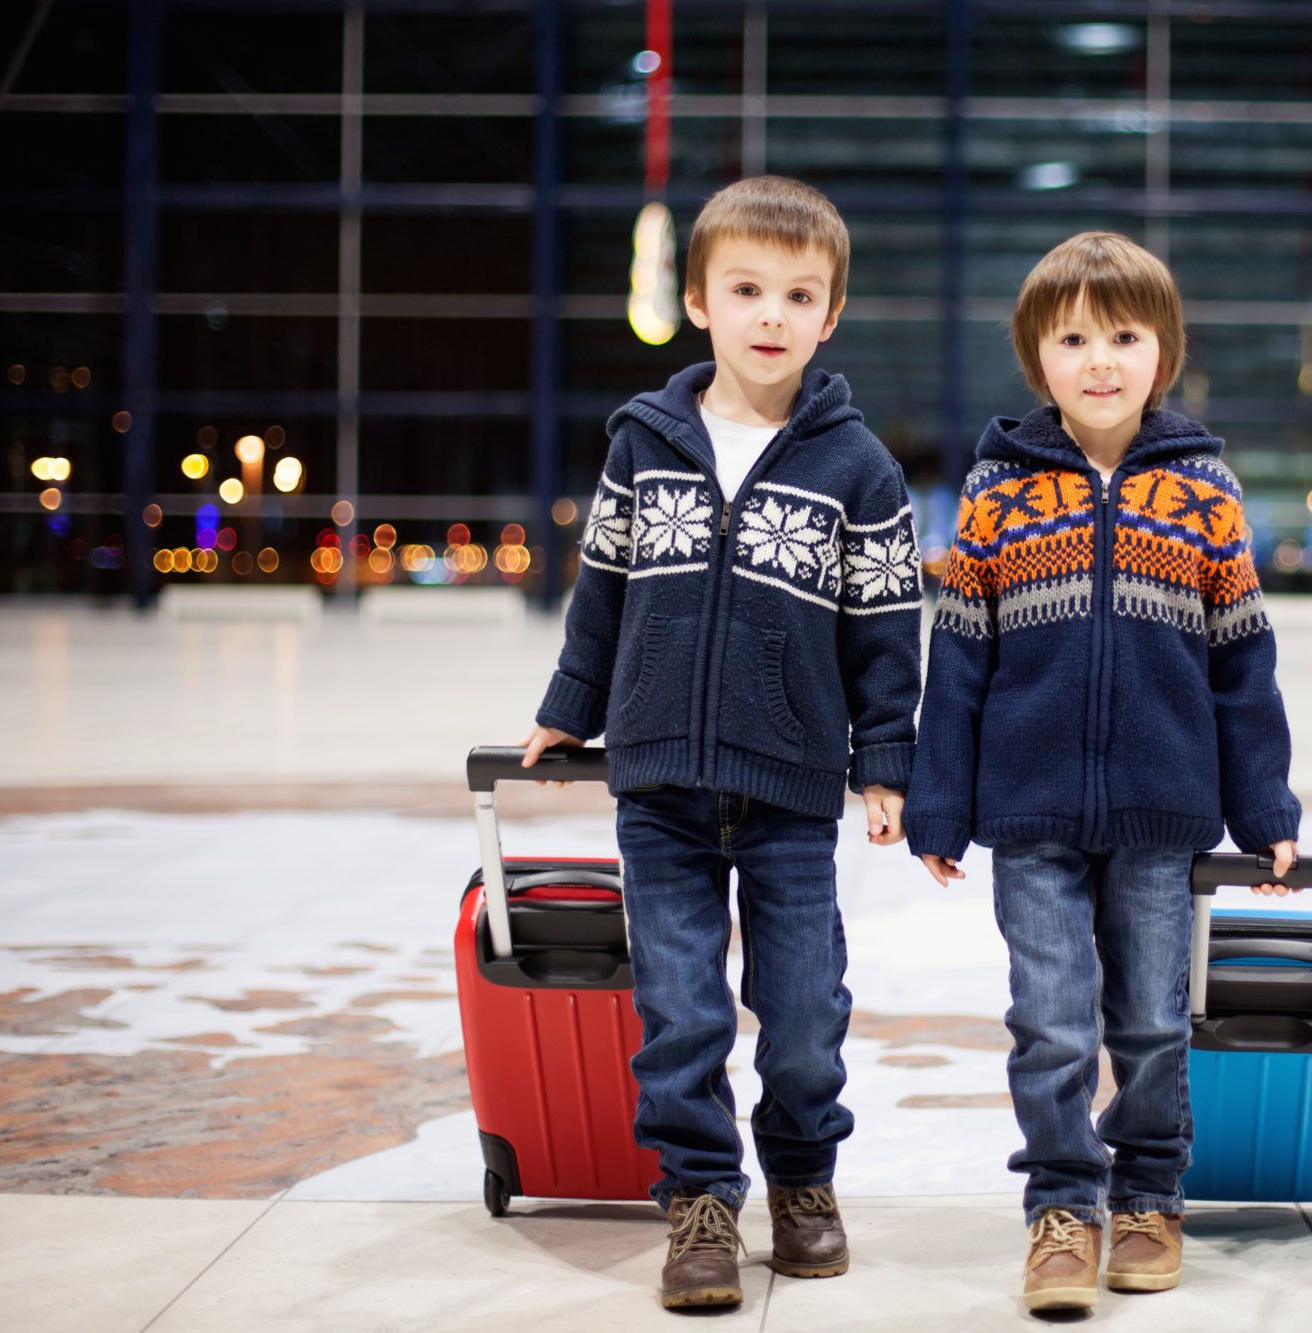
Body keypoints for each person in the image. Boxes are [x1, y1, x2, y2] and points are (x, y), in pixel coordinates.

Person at [518, 176, 922, 1312]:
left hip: (790, 789)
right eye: (746, 289)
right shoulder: (642, 447)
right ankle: (698, 1198)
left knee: (801, 1012)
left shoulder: (859, 470)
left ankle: (801, 1180)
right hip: (657, 783)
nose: (770, 316)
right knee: (681, 1011)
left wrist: (884, 763)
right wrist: (570, 703)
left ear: (830, 315)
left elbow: (888, 635)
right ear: (698, 300)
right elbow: (599, 594)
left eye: (799, 295)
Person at [904, 231, 1302, 1312]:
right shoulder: (995, 491)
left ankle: (1147, 1198)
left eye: (1123, 335)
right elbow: (959, 660)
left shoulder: (1204, 493)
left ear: (1160, 352)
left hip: (1160, 812)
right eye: (1071, 336)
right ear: (1037, 357)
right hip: (1026, 813)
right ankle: (1060, 1211)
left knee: (1149, 1021)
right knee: (1049, 1019)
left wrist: (1262, 802)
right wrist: (939, 798)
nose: (1099, 360)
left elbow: (1242, 663)